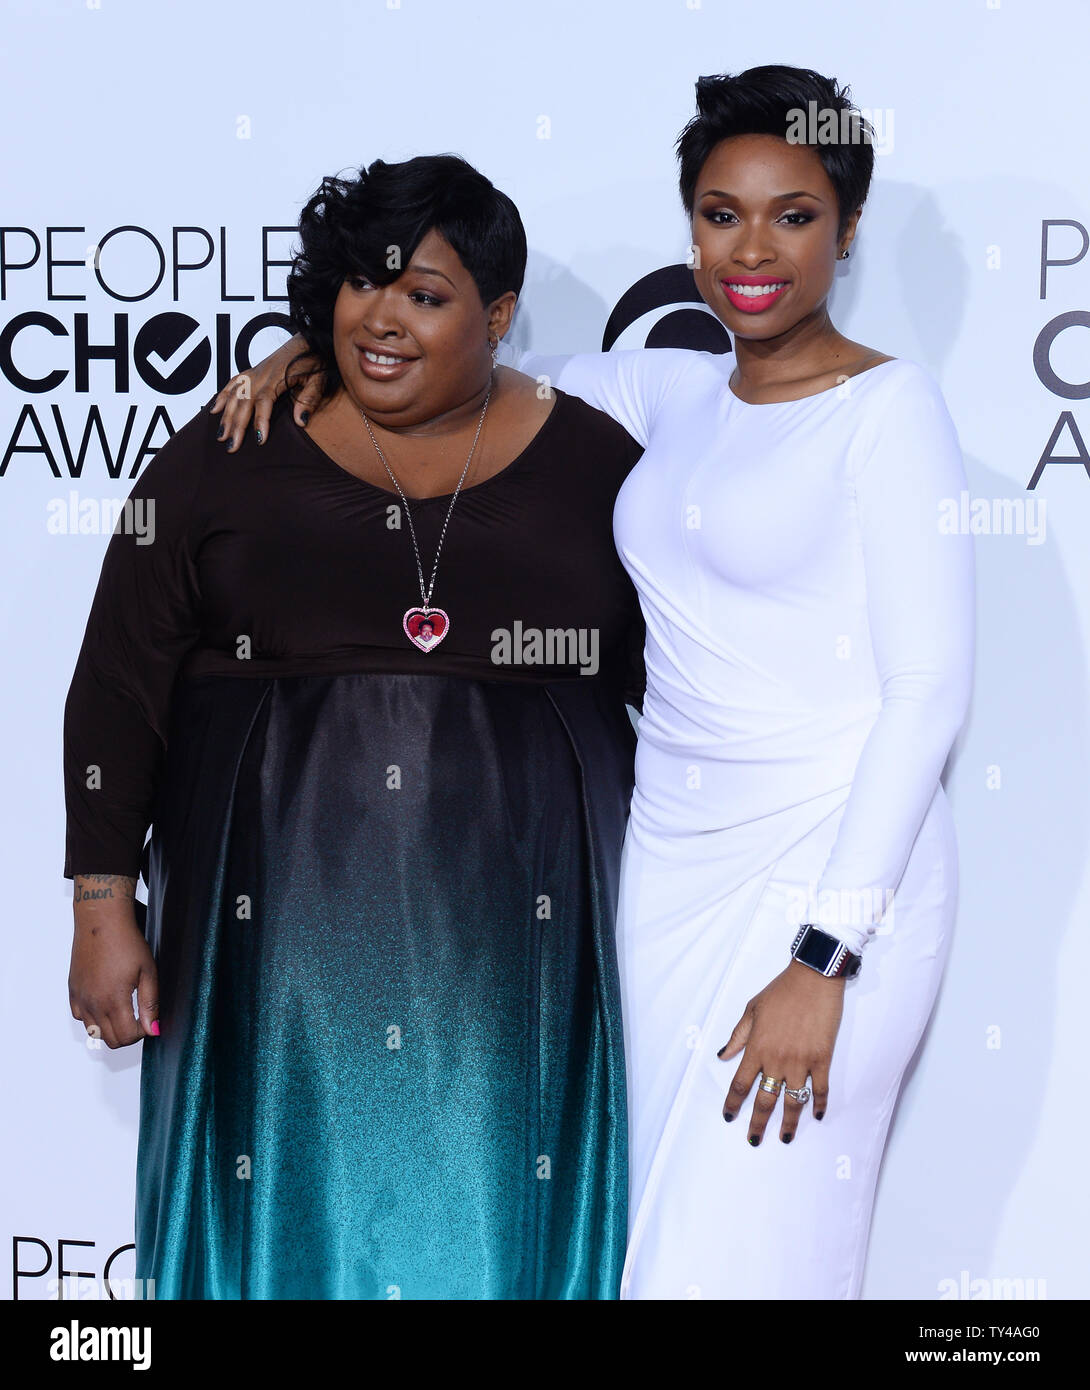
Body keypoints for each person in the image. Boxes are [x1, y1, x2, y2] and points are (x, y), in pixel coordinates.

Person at [218, 65, 975, 1300]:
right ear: (689, 227)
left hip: (829, 874)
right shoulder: (670, 389)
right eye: (721, 212)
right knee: (650, 1257)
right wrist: (319, 348)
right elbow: (456, 356)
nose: (752, 247)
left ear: (845, 230)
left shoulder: (891, 412)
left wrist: (823, 954)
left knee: (750, 1260)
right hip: (667, 869)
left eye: (792, 215)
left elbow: (928, 694)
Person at [63, 154, 647, 1300]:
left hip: (516, 961)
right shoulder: (229, 446)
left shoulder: (601, 462)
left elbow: (689, 688)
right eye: (357, 284)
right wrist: (99, 902)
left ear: (500, 314)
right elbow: (116, 679)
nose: (379, 320)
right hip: (270, 950)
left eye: (424, 296)